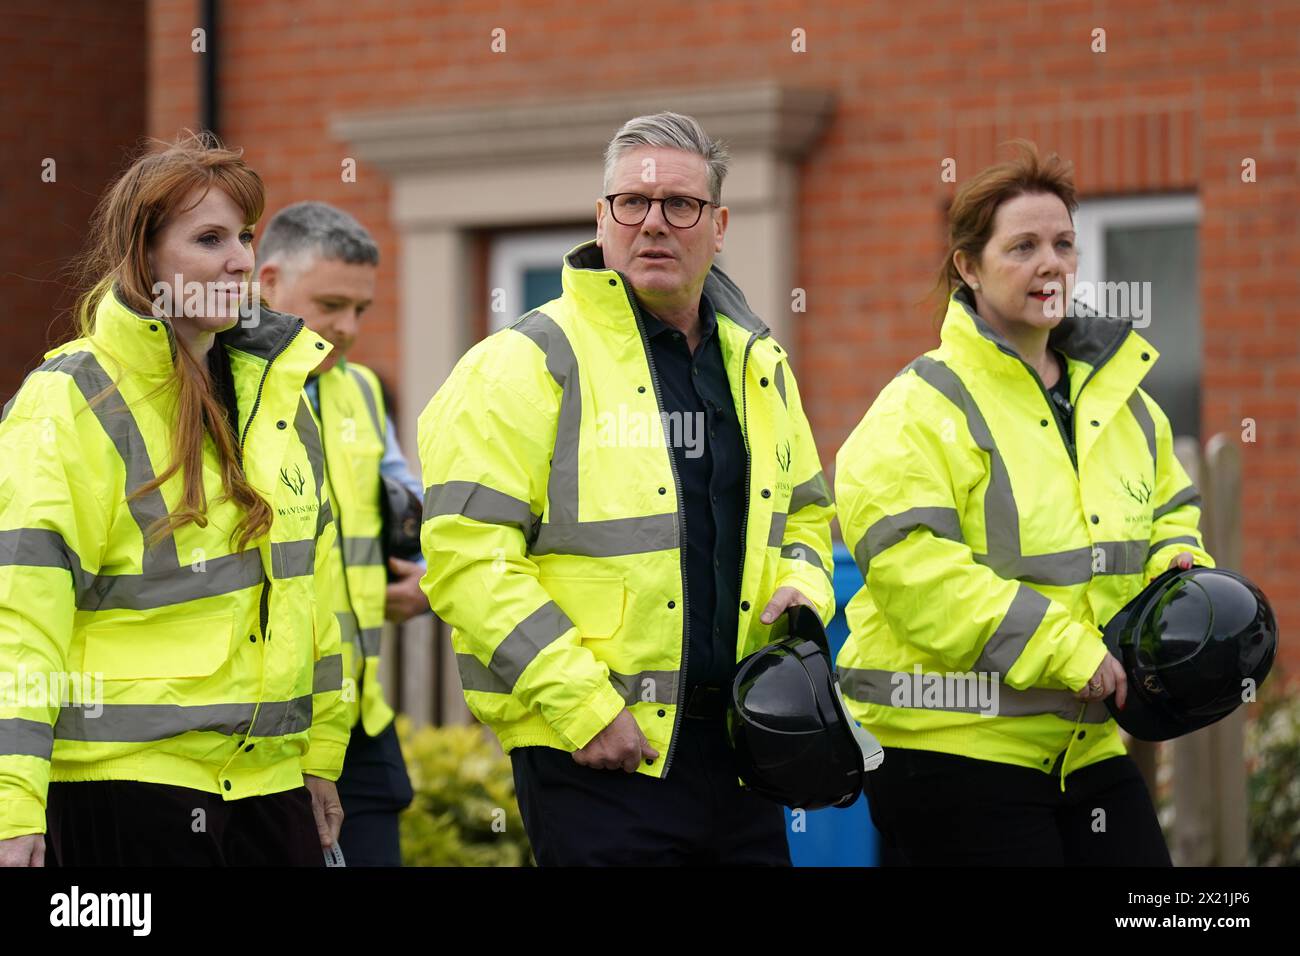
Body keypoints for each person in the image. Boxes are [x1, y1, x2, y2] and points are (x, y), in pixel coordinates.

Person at [418, 112, 836, 866]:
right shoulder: (522, 362)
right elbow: (468, 557)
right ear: (601, 218)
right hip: (598, 753)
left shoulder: (757, 364)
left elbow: (805, 510)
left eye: (680, 205)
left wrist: (805, 586)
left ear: (719, 225)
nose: (653, 224)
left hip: (745, 747)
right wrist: (584, 707)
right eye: (631, 204)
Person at [834, 140, 1213, 866]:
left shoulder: (1120, 400)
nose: (1052, 264)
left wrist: (1176, 568)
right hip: (951, 747)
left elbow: (1171, 511)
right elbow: (917, 574)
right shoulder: (917, 409)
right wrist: (1063, 646)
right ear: (968, 268)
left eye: (1064, 243)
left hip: (1083, 741)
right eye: (1024, 247)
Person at [0, 133, 349, 867]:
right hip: (126, 784)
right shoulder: (65, 402)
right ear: (146, 258)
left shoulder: (281, 394)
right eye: (210, 238)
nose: (242, 261)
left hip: (269, 782)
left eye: (246, 236)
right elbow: (20, 615)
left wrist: (320, 755)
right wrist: (12, 803)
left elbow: (313, 594)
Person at [257, 202, 424, 866]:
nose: (348, 329)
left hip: (356, 716)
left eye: (360, 309)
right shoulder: (216, 387)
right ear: (267, 282)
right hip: (260, 720)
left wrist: (424, 572)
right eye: (331, 304)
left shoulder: (359, 392)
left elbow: (407, 511)